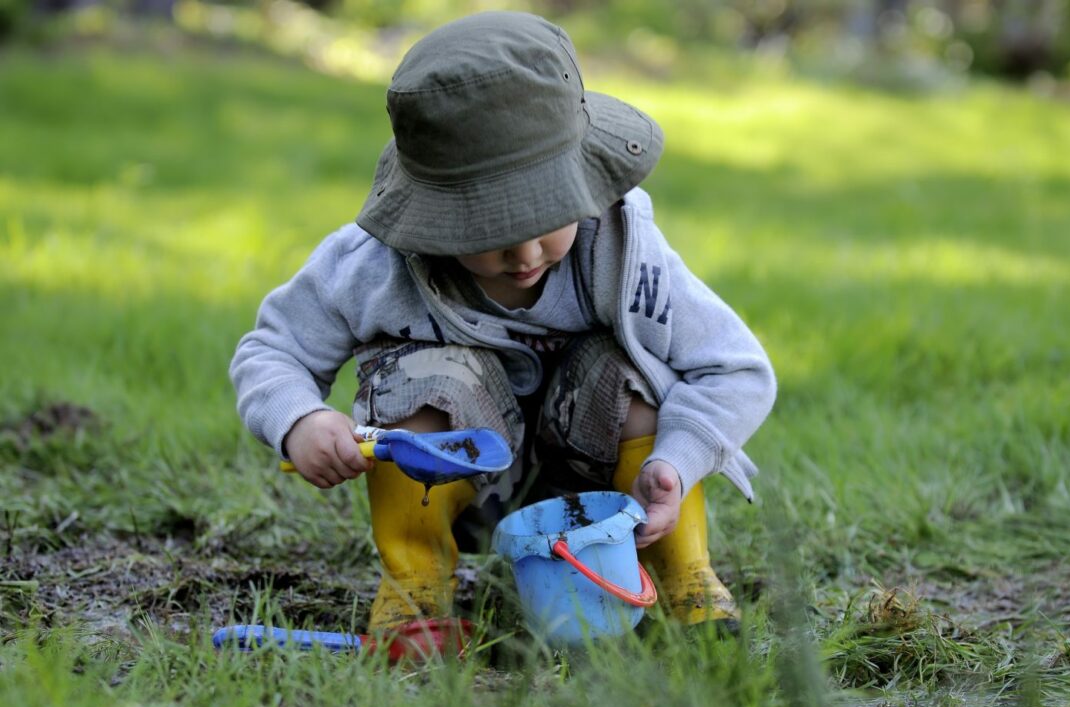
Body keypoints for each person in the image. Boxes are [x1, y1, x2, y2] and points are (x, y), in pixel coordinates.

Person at [230, 11, 776, 645]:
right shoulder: (375, 265)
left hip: (604, 495)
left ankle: (684, 576)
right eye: (488, 235)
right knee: (419, 375)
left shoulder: (623, 255)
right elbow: (272, 349)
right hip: (456, 486)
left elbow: (735, 367)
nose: (524, 255)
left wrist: (677, 463)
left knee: (627, 370)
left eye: (547, 218)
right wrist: (299, 419)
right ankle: (416, 588)